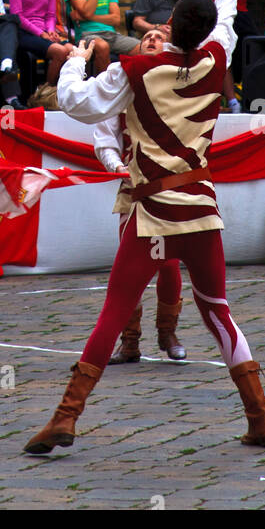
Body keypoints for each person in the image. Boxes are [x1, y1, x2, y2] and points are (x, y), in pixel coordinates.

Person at [23, 0, 265, 455]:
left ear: (170, 22)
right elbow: (224, 19)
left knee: (115, 311)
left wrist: (76, 55)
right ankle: (261, 416)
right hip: (202, 211)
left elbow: (76, 103)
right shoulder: (216, 58)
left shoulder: (135, 68)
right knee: (219, 311)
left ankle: (67, 417)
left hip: (155, 213)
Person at [94, 116, 186, 364]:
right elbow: (105, 140)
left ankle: (168, 333)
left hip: (169, 188)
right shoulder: (119, 87)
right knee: (130, 267)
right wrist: (117, 167)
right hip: (133, 191)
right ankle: (129, 341)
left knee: (168, 262)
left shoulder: (171, 88)